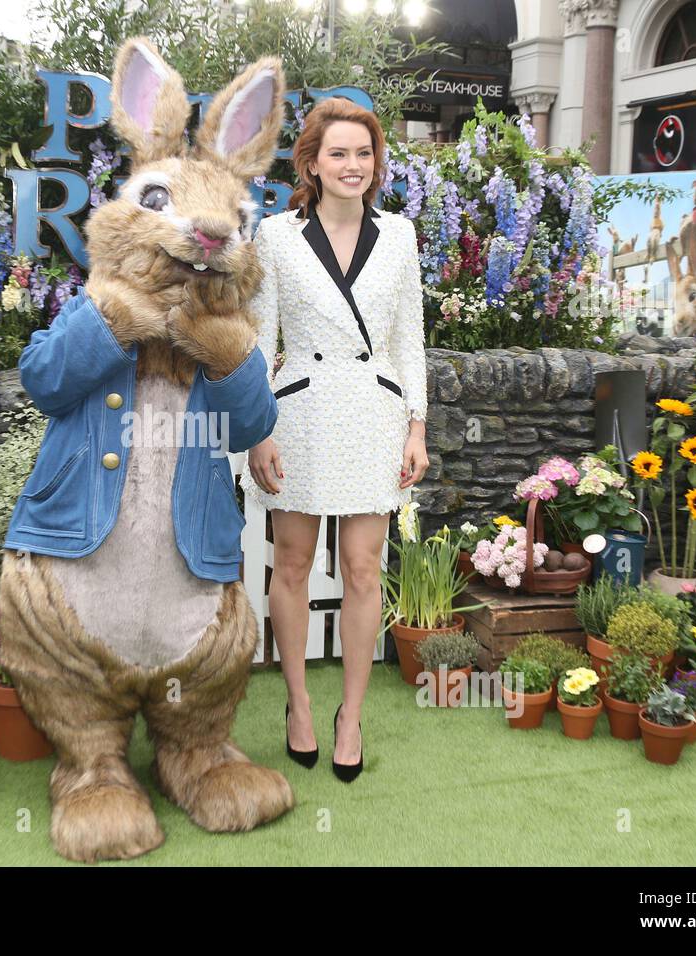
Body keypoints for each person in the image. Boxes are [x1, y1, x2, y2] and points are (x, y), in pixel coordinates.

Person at [240, 97, 429, 782]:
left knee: (361, 568)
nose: (353, 165)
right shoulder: (276, 236)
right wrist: (256, 434)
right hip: (301, 415)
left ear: (377, 162)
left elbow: (410, 337)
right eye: (339, 153)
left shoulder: (401, 235)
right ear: (313, 163)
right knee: (290, 564)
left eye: (364, 152)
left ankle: (351, 714)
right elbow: (260, 343)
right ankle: (298, 705)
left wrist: (418, 426)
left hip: (375, 414)